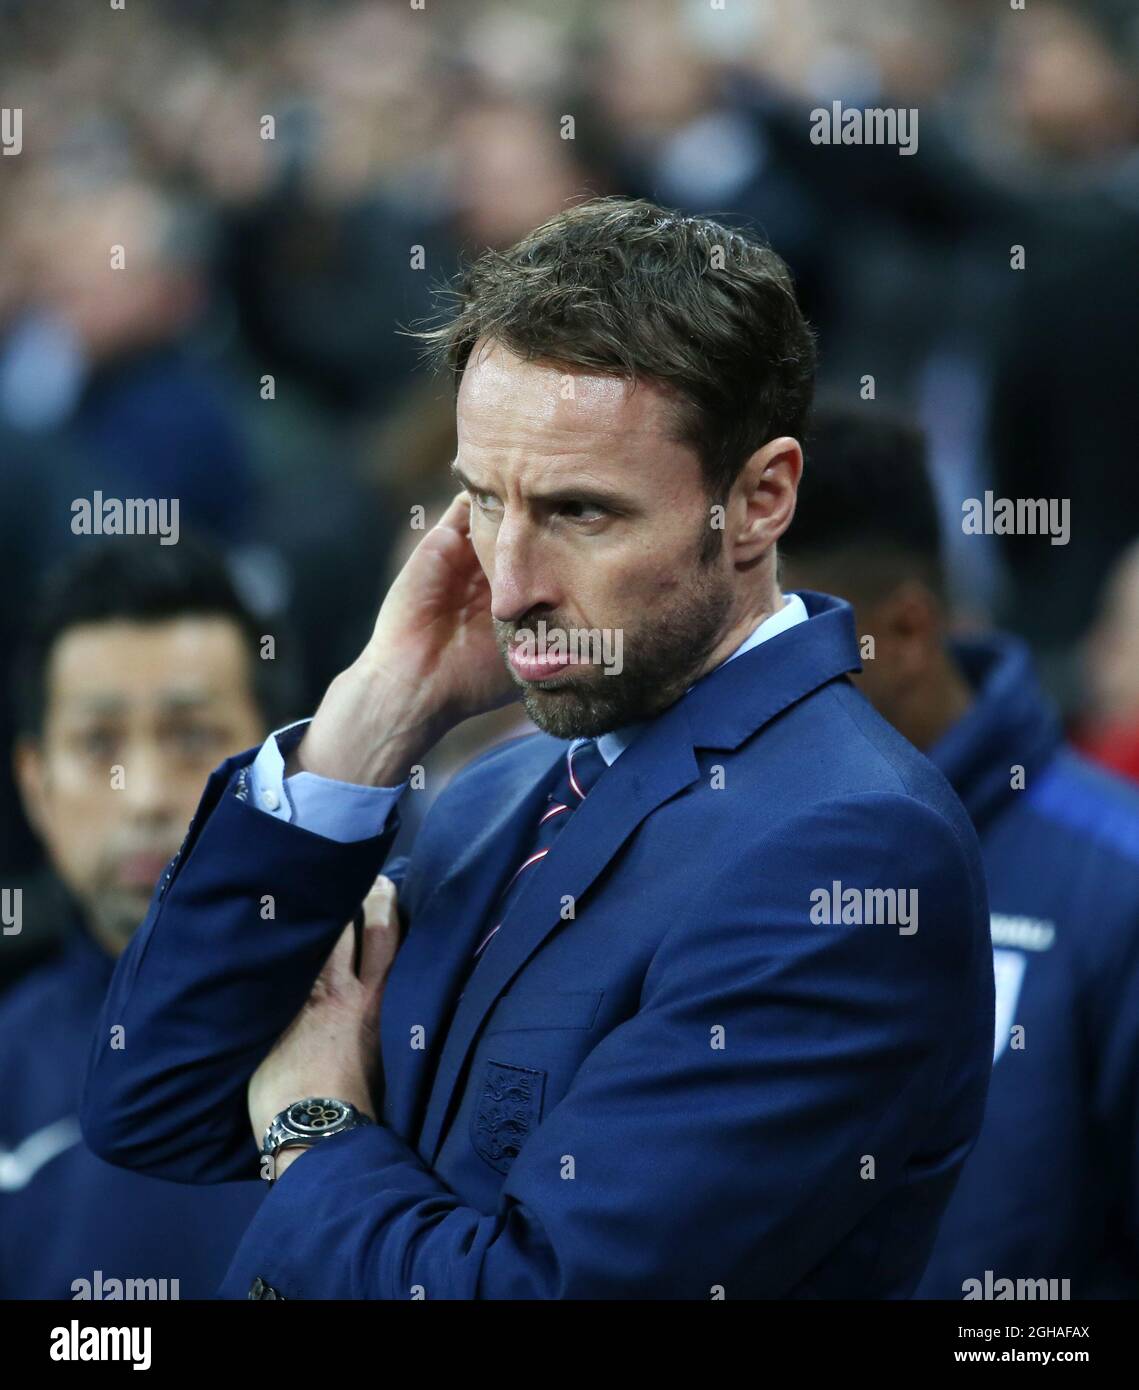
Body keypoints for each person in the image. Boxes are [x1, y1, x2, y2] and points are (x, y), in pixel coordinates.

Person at [81, 198, 993, 1300]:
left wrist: (312, 1130)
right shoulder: (496, 789)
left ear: (757, 500)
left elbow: (544, 1293)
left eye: (578, 512)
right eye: (478, 500)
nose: (507, 584)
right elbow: (154, 1102)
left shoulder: (847, 850)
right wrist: (364, 726)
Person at [783, 406, 1139, 1299]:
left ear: (904, 634)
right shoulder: (695, 852)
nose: (736, 696)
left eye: (777, 654)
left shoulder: (1115, 883)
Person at [0, 538, 281, 1299]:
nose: (147, 795)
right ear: (36, 785)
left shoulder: (390, 1028)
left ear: (281, 760)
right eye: (99, 745)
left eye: (193, 738)